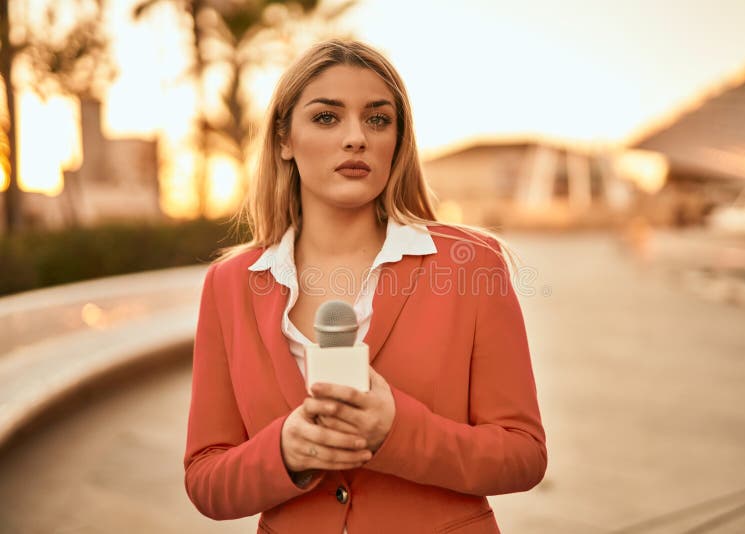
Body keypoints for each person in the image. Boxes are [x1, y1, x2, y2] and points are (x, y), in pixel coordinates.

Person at [183, 39, 547, 534]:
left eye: (378, 119)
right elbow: (206, 478)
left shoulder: (469, 265)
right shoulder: (229, 285)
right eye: (327, 118)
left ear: (397, 140)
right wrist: (284, 453)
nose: (356, 138)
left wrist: (396, 432)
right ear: (284, 140)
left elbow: (523, 455)